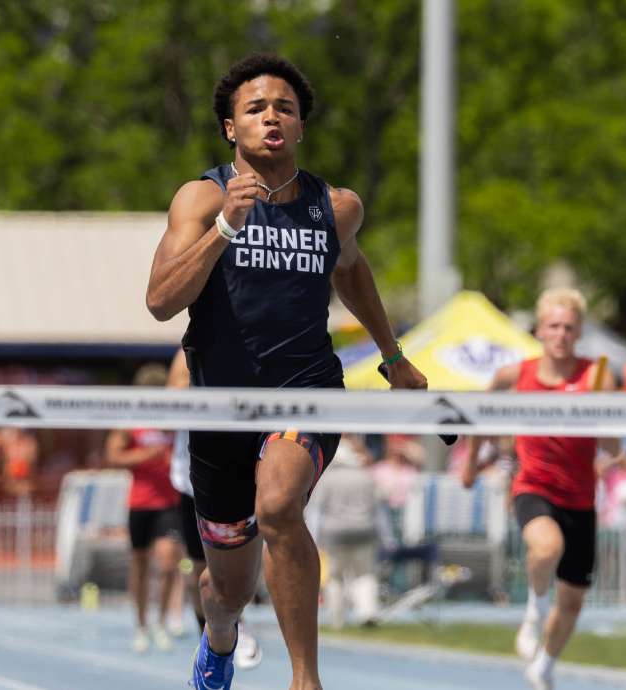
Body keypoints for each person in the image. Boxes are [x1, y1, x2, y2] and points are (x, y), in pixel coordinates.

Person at [144, 53, 427, 690]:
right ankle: (220, 639)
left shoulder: (336, 207)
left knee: (277, 506)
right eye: (255, 108)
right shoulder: (201, 198)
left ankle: (305, 679)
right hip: (218, 408)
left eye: (285, 108)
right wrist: (224, 227)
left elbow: (350, 268)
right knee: (226, 589)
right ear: (230, 128)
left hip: (306, 390)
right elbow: (160, 300)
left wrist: (393, 356)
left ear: (300, 127)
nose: (271, 117)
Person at [462, 287, 619, 690]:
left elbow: (615, 447)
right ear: (539, 330)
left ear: (579, 332)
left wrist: (601, 417)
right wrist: (471, 464)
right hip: (533, 486)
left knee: (574, 601)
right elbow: (477, 414)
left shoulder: (596, 376)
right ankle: (534, 609)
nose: (561, 334)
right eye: (554, 326)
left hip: (580, 496)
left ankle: (544, 667)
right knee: (547, 548)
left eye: (569, 327)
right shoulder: (516, 375)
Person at [167, 349, 262, 669]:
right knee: (199, 567)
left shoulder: (253, 345)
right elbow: (173, 395)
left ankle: (235, 620)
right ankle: (209, 633)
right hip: (194, 478)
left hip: (243, 469)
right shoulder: (186, 353)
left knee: (239, 559)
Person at [104, 364, 184, 654]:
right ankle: (140, 625)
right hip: (140, 503)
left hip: (169, 503)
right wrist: (145, 455)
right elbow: (113, 455)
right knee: (139, 563)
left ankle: (161, 622)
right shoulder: (131, 421)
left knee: (168, 562)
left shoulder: (174, 420)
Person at [312, 435, 381, 629]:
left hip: (334, 533)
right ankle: (367, 612)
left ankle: (337, 618)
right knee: (365, 573)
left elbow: (317, 511)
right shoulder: (366, 477)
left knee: (334, 576)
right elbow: (378, 509)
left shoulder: (327, 479)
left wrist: (314, 537)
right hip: (364, 530)